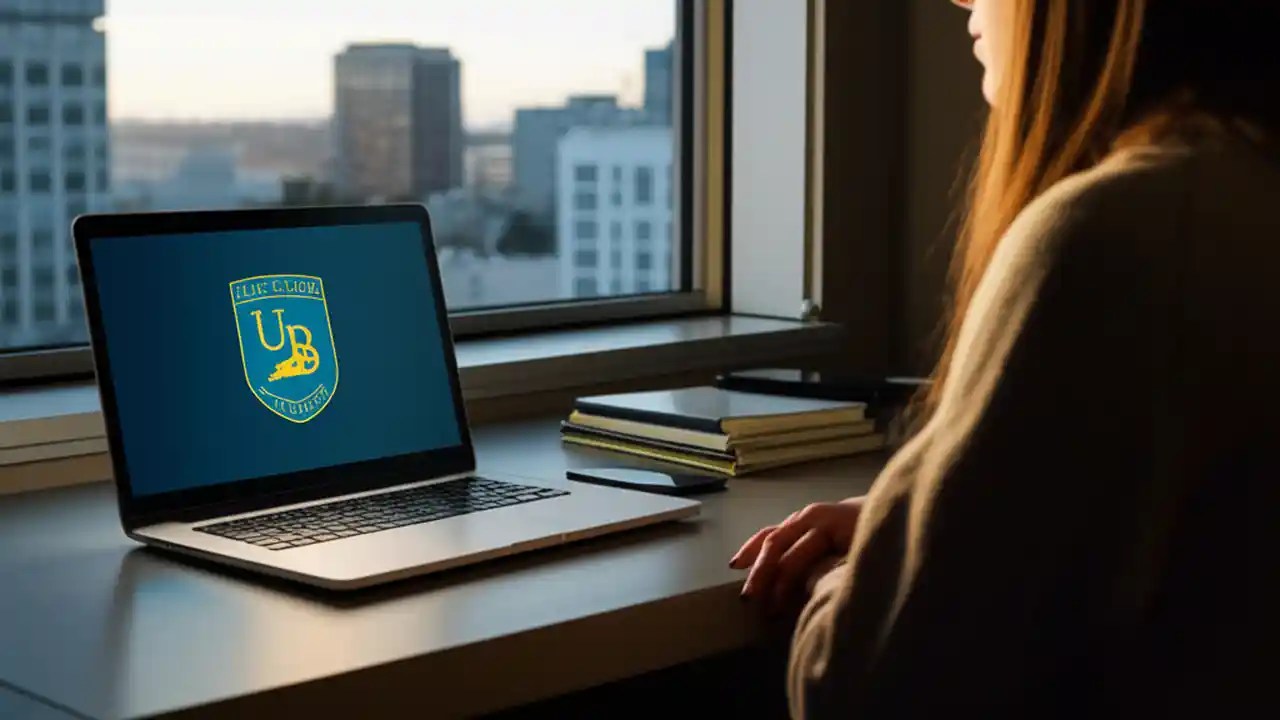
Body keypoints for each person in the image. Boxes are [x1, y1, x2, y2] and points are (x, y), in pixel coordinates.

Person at [731, 0, 1280, 716]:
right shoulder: (1243, 192)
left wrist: (853, 572)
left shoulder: (1114, 236)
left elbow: (862, 688)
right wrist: (931, 519)